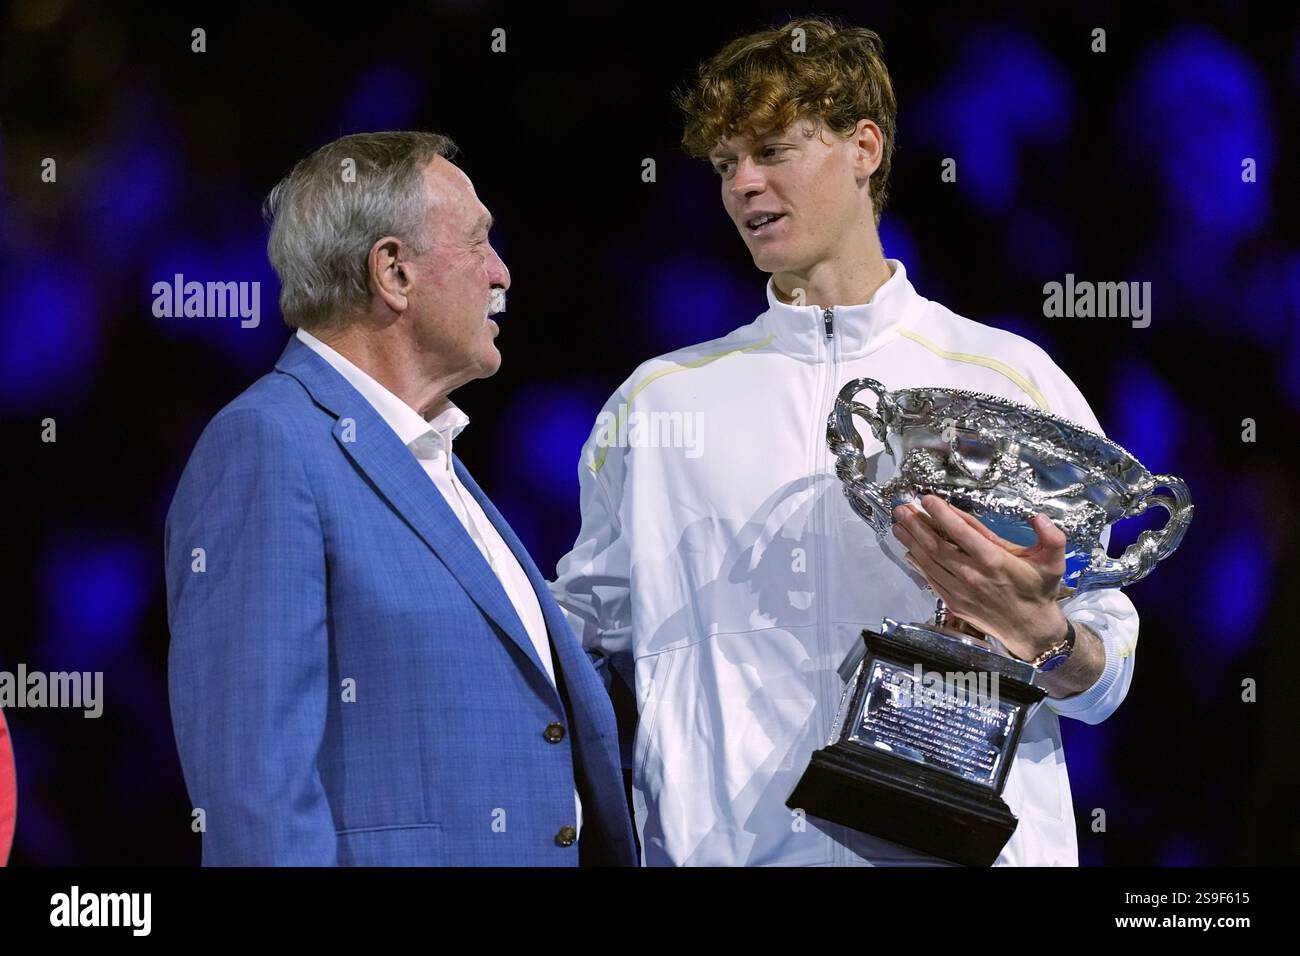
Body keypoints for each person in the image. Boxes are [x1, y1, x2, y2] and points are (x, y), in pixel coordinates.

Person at [551, 19, 1137, 866]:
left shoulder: (1010, 380)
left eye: (772, 151)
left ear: (864, 147)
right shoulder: (656, 404)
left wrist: (1043, 636)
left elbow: (1104, 670)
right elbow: (575, 642)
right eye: (724, 166)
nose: (744, 186)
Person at [165, 131, 636, 866]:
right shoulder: (268, 445)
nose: (501, 272)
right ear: (393, 271)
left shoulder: (434, 458)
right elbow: (255, 791)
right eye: (478, 242)